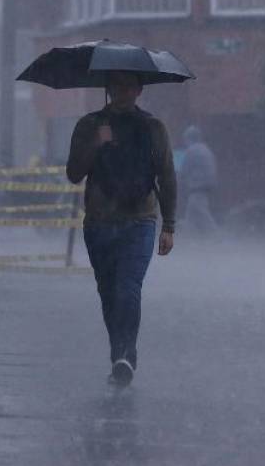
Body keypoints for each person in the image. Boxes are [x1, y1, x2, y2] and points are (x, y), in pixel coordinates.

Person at [66, 72, 177, 387]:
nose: (123, 92)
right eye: (117, 86)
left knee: (128, 288)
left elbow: (166, 176)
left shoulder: (153, 127)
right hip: (99, 223)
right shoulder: (89, 126)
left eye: (130, 86)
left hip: (139, 221)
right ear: (109, 89)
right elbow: (74, 173)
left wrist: (169, 225)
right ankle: (119, 353)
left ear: (140, 90)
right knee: (109, 293)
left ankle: (125, 355)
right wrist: (96, 144)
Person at [178, 126, 219, 235]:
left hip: (198, 187)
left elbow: (184, 170)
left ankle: (218, 237)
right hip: (206, 186)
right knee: (191, 215)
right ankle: (188, 237)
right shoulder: (205, 149)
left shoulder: (192, 150)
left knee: (201, 212)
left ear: (188, 138)